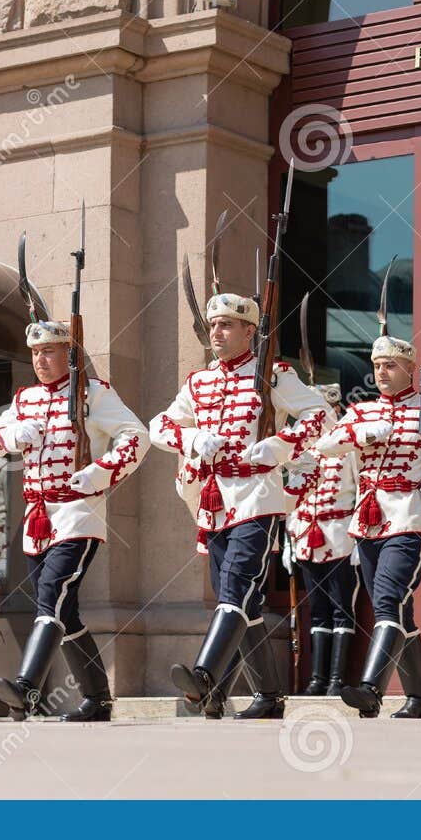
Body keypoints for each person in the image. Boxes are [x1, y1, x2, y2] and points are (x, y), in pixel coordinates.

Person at [151, 292, 332, 719]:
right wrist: (193, 437)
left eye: (227, 325)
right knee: (242, 603)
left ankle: (205, 677)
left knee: (235, 587)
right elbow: (159, 426)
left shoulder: (274, 374)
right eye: (213, 325)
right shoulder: (198, 382)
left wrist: (280, 445)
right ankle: (266, 696)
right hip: (213, 502)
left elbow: (321, 415)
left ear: (250, 332)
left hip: (257, 497)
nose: (217, 332)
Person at [0, 320, 147, 721]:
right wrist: (12, 436)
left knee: (52, 593)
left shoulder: (94, 393)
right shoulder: (25, 400)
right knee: (63, 611)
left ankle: (26, 687)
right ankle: (98, 699)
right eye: (35, 352)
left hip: (77, 513)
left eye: (49, 351)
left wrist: (100, 473)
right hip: (37, 518)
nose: (40, 359)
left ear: (69, 354)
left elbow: (136, 436)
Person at [316, 335, 421, 718]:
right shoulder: (362, 411)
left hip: (410, 515)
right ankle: (420, 699)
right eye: (377, 365)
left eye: (390, 365)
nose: (381, 372)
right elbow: (324, 445)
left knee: (388, 600)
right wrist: (362, 434)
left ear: (411, 369)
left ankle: (371, 689)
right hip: (369, 521)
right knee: (400, 613)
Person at [284, 383, 360, 695]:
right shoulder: (300, 450)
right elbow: (291, 495)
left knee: (342, 607)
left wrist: (358, 537)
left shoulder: (349, 446)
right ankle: (317, 679)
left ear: (335, 409)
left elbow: (360, 490)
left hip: (339, 534)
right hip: (305, 535)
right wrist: (289, 535)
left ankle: (337, 680)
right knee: (317, 609)